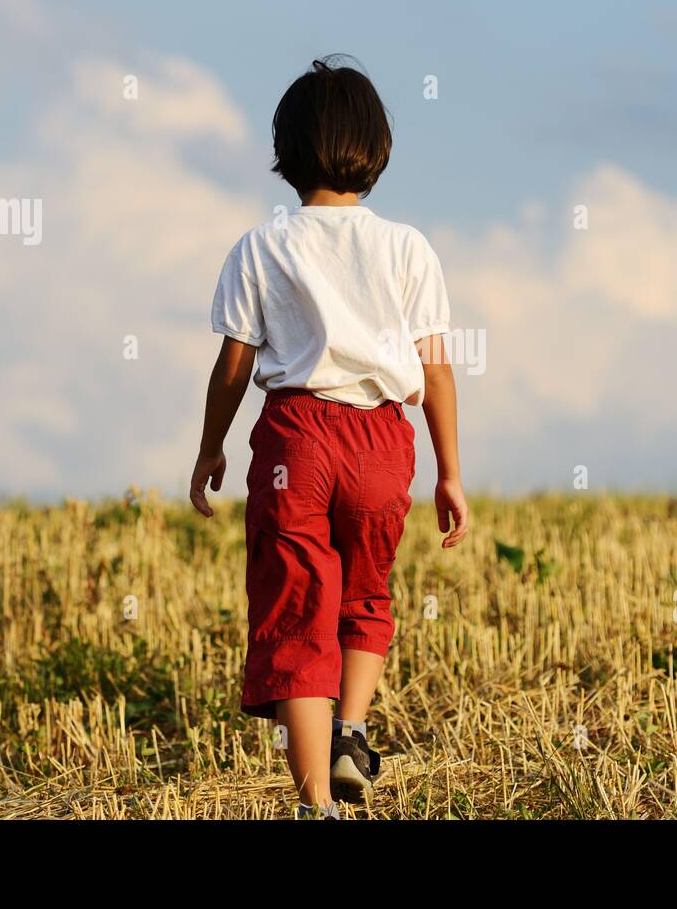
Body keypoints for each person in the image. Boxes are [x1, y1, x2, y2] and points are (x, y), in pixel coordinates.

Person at [189, 55, 469, 819]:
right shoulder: (410, 249)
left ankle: (317, 804)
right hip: (385, 441)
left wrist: (211, 448)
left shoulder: (260, 247)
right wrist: (448, 471)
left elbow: (234, 366)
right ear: (377, 149)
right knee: (365, 593)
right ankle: (352, 730)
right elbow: (436, 372)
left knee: (296, 612)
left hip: (296, 441)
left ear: (285, 149)